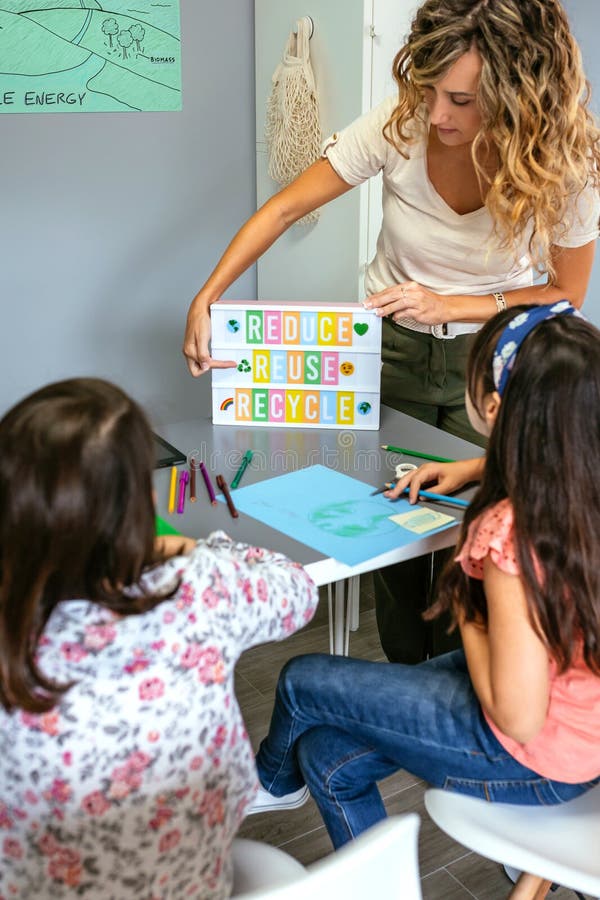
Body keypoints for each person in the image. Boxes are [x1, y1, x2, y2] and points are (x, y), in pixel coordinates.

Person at [183, 0, 600, 664]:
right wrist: (208, 295)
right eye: (430, 90)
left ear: (517, 95)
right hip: (394, 354)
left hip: (494, 363)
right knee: (392, 541)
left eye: (461, 99)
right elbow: (289, 204)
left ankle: (463, 704)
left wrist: (452, 305)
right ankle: (406, 684)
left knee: (477, 549)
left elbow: (565, 295)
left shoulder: (566, 159)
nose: (437, 115)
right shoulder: (401, 124)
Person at [248, 304, 600, 899]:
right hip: (582, 725)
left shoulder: (513, 532)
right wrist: (474, 467)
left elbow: (517, 717)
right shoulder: (580, 483)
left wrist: (468, 604)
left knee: (301, 678)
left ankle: (270, 783)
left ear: (492, 407)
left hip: (531, 756)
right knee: (330, 758)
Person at [0, 378, 317, 899]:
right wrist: (193, 548)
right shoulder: (198, 588)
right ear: (143, 502)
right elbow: (297, 590)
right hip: (196, 882)